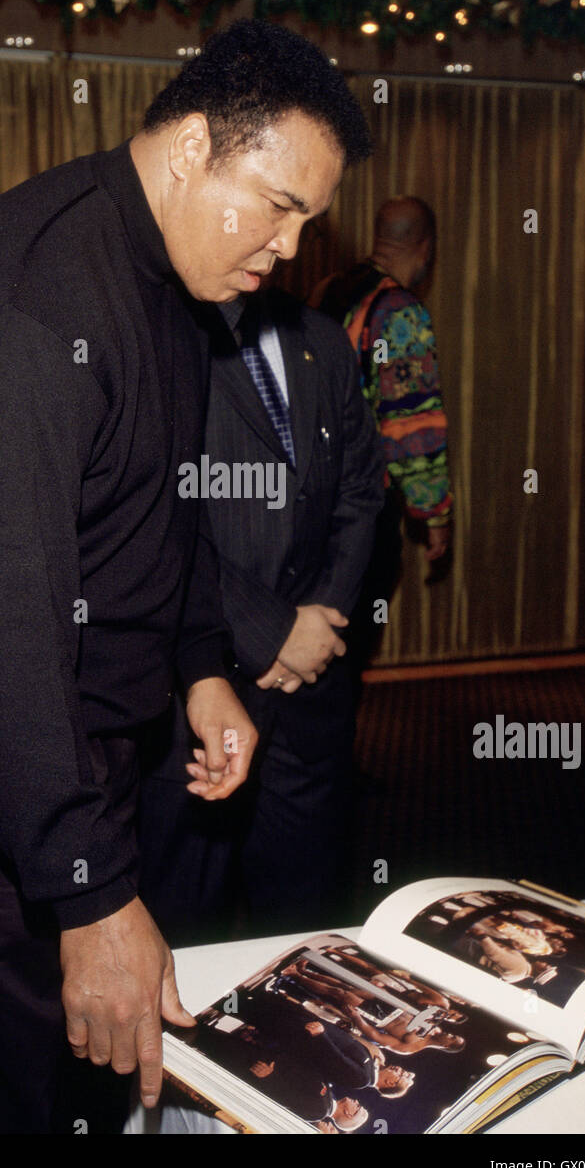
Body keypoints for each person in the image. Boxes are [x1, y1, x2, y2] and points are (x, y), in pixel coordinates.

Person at [0, 18, 372, 1134]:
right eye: (278, 204)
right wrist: (91, 890)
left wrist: (201, 665)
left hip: (59, 744)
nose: (292, 247)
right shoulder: (36, 307)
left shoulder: (171, 271)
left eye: (309, 220)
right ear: (192, 148)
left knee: (62, 1055)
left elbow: (158, 504)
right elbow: (2, 625)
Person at [137, 277, 383, 943]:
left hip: (311, 693)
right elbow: (158, 519)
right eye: (277, 210)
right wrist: (272, 632)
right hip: (192, 693)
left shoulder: (321, 341)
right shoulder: (153, 339)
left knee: (307, 928)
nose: (289, 243)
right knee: (182, 934)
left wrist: (320, 618)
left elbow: (362, 486)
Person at [316, 197, 453, 664]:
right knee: (346, 662)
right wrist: (433, 512)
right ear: (426, 247)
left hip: (309, 504)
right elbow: (411, 424)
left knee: (319, 662)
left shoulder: (328, 291)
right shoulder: (400, 311)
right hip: (363, 512)